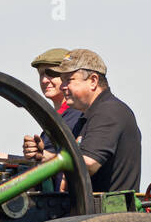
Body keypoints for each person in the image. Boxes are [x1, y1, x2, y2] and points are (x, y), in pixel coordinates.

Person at [22, 48, 141, 192]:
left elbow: (88, 164)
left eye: (69, 80)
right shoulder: (87, 116)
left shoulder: (109, 112)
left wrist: (51, 159)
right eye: (62, 80)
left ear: (93, 81)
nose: (63, 86)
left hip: (107, 212)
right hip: (89, 212)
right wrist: (43, 156)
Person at [29, 47, 85, 153]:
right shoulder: (59, 116)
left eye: (51, 74)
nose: (44, 80)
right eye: (41, 74)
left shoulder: (74, 117)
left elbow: (50, 161)